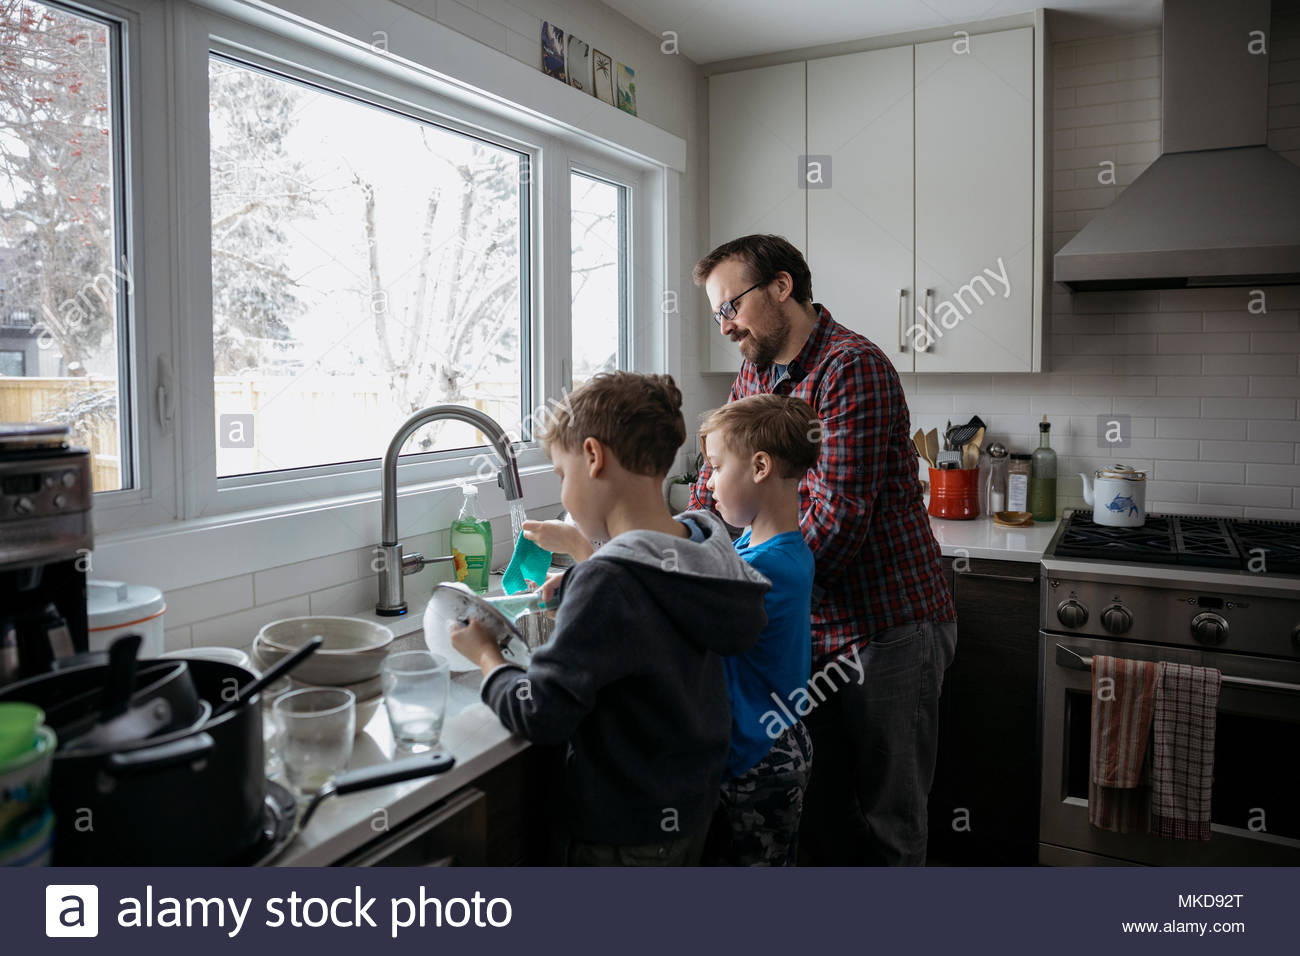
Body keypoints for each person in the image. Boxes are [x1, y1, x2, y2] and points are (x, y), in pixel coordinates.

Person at [689, 234, 957, 866]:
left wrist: (725, 585)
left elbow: (832, 529)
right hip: (808, 632)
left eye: (732, 307)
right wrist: (668, 549)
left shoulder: (850, 368)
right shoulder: (757, 371)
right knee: (821, 819)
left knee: (885, 826)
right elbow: (712, 481)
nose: (726, 326)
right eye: (716, 314)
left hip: (886, 629)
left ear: (782, 287)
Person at [450, 371, 771, 866]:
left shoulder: (611, 584)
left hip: (619, 836)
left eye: (561, 475)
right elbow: (648, 628)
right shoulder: (702, 550)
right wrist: (586, 574)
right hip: (690, 815)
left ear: (594, 458)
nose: (563, 495)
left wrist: (488, 657)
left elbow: (541, 713)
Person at [696, 394, 819, 866]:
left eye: (716, 467)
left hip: (761, 757)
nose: (707, 483)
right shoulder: (765, 546)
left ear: (760, 466)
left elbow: (683, 600)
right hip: (767, 743)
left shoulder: (769, 569)